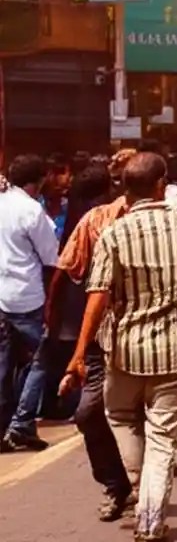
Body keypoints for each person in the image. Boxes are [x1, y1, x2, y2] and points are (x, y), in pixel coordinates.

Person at [62, 152, 177, 541]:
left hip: (124, 351)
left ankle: (140, 489)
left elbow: (97, 296)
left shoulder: (114, 233)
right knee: (163, 438)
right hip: (176, 349)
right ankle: (150, 519)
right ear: (160, 184)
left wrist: (79, 353)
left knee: (120, 418)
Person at [46, 164, 132, 520]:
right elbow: (67, 270)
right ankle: (116, 483)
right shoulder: (95, 221)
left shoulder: (172, 219)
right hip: (102, 336)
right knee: (89, 412)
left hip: (148, 337)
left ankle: (149, 488)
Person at [0, 155, 61, 452]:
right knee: (42, 358)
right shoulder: (31, 211)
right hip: (27, 297)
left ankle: (5, 428)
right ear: (37, 182)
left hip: (2, 295)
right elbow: (52, 256)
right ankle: (22, 423)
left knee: (4, 362)